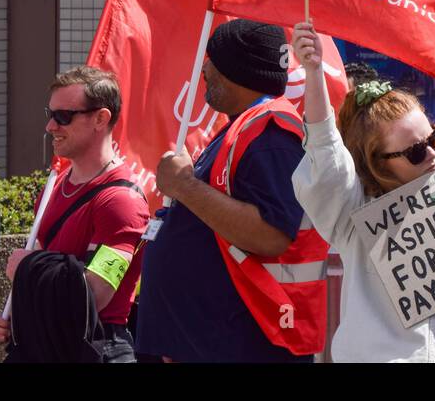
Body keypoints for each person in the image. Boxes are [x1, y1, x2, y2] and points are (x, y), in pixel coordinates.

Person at [135, 19, 328, 362]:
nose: (204, 70)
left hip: (242, 345)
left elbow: (271, 234)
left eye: (212, 59)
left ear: (238, 70)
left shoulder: (270, 136)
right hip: (214, 345)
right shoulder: (244, 130)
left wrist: (185, 187)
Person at [291, 21, 435, 362]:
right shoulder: (355, 216)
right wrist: (313, 72)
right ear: (378, 163)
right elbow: (326, 153)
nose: (433, 154)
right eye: (416, 151)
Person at [0, 67, 148, 362]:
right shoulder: (57, 186)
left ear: (101, 118)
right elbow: (43, 281)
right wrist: (17, 319)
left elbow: (95, 295)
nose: (50, 126)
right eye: (50, 114)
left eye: (63, 117)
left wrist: (28, 268)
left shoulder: (122, 201)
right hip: (50, 343)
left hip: (95, 347)